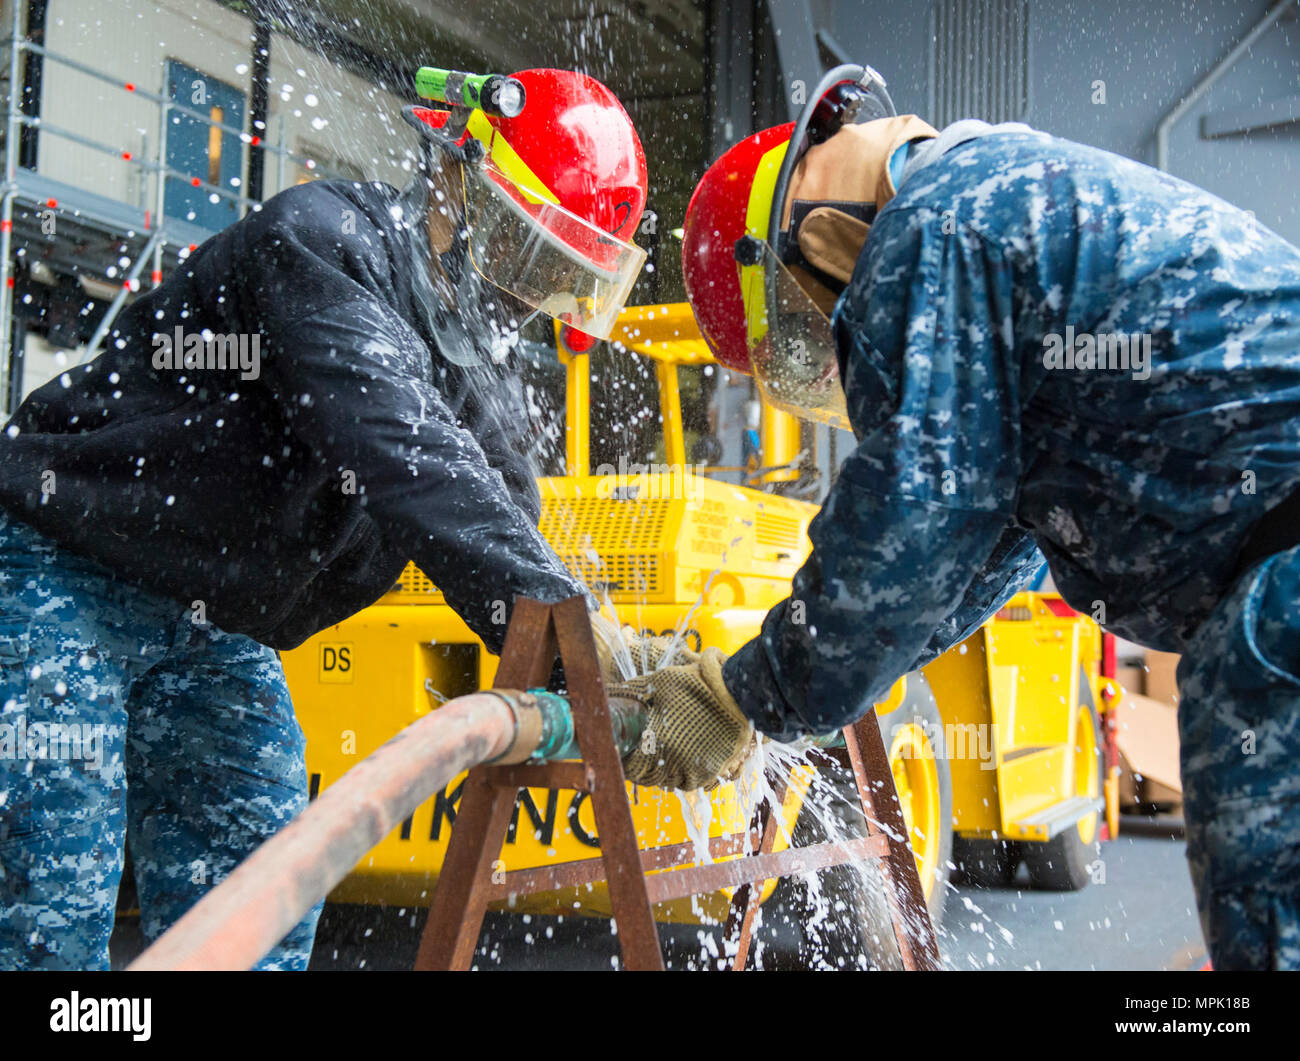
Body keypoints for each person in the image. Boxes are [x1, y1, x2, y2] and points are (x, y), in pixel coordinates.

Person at [614, 64, 1300, 971]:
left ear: (798, 250)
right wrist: (816, 673)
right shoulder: (989, 192)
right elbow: (990, 542)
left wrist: (743, 695)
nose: (832, 359)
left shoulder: (930, 231)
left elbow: (913, 510)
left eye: (804, 336)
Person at [0, 67, 650, 970]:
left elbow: (506, 508)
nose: (525, 295)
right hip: (66, 566)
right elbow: (410, 456)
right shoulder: (323, 245)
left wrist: (617, 655)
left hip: (208, 621)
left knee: (263, 886)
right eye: (524, 254)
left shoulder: (464, 352)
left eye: (556, 274)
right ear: (457, 179)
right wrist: (583, 654)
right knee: (51, 905)